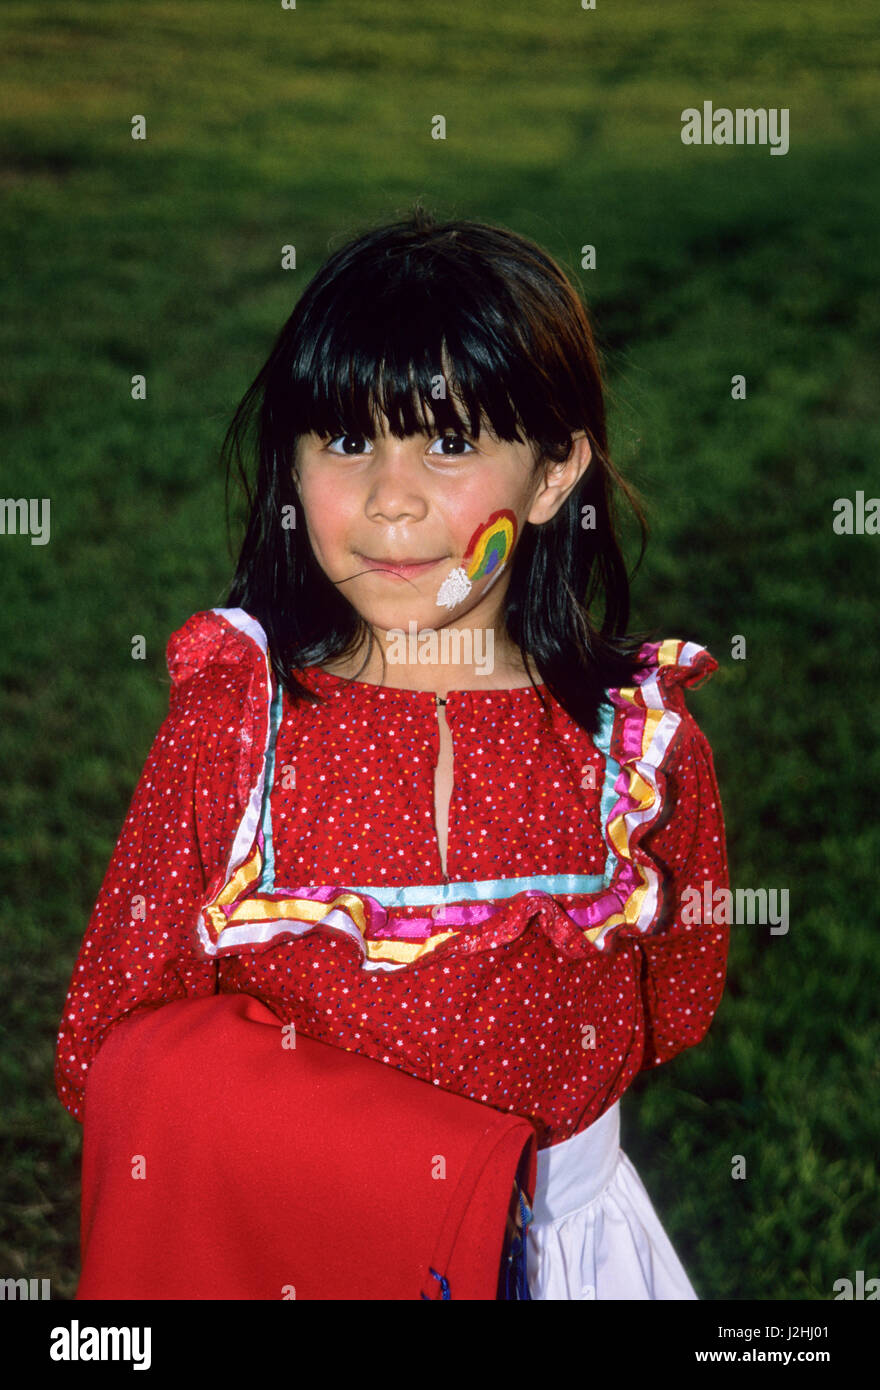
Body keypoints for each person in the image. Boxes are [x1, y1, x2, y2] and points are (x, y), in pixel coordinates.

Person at [55, 208, 730, 1300]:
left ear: (554, 473)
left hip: (564, 1253)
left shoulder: (635, 749)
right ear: (292, 461)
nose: (390, 497)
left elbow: (674, 993)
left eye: (450, 441)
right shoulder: (233, 733)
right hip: (296, 1260)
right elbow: (112, 1030)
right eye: (348, 439)